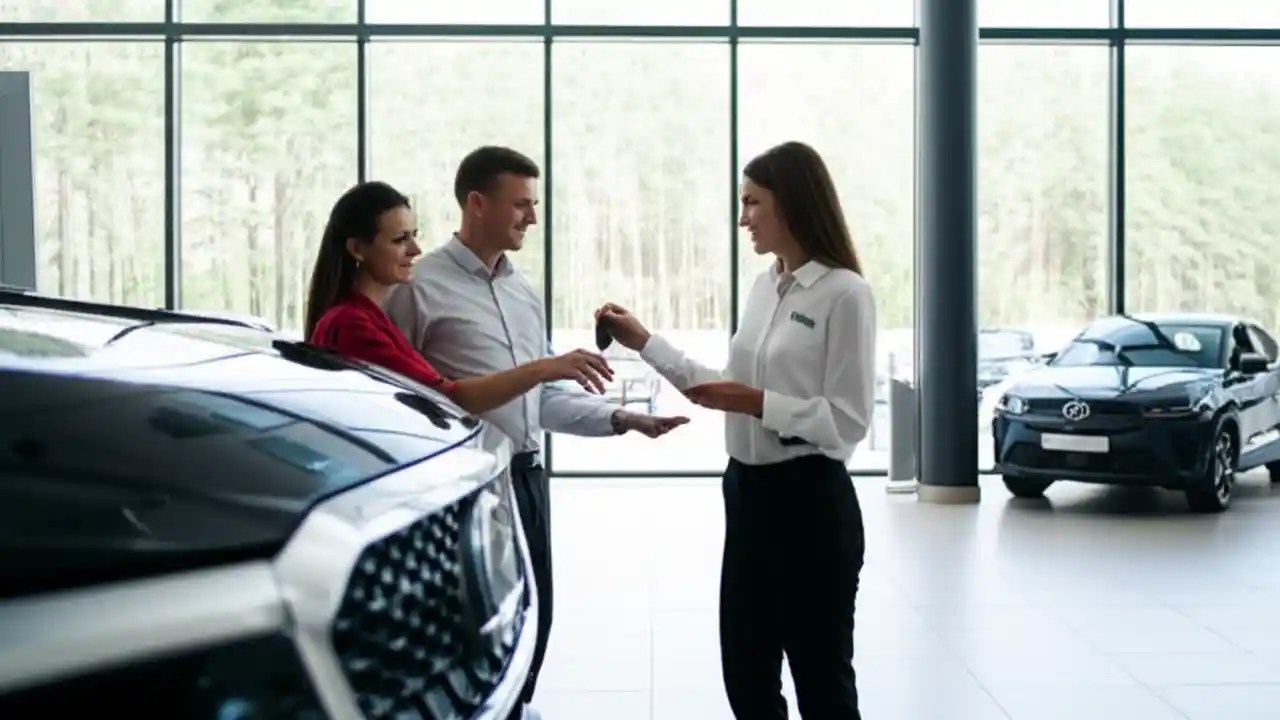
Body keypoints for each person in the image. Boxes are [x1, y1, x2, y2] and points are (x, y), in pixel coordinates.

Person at [383, 146, 690, 720]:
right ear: (477, 203)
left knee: (534, 616)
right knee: (467, 629)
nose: (531, 216)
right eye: (521, 204)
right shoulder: (416, 288)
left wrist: (622, 419)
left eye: (534, 204)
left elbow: (541, 396)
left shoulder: (524, 294)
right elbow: (403, 395)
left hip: (527, 481)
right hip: (462, 491)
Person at [596, 141, 875, 719]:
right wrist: (645, 342)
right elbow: (722, 385)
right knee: (746, 679)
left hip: (811, 504)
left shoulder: (846, 293)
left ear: (792, 203)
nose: (743, 217)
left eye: (752, 203)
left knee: (822, 684)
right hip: (745, 494)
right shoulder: (763, 287)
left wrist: (758, 402)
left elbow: (847, 421)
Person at [303, 180, 615, 418]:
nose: (415, 250)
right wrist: (544, 368)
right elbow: (446, 397)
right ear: (357, 249)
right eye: (400, 240)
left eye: (414, 235)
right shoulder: (351, 323)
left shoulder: (368, 317)